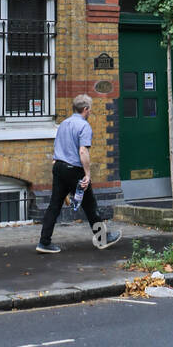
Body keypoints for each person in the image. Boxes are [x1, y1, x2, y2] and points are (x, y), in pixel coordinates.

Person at [37, 94, 122, 253]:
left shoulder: (63, 124)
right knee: (90, 205)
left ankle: (44, 242)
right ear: (85, 109)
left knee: (54, 205)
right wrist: (87, 175)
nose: (90, 112)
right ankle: (102, 239)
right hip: (74, 169)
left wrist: (57, 163)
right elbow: (83, 151)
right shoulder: (84, 126)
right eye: (90, 109)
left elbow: (57, 147)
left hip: (59, 166)